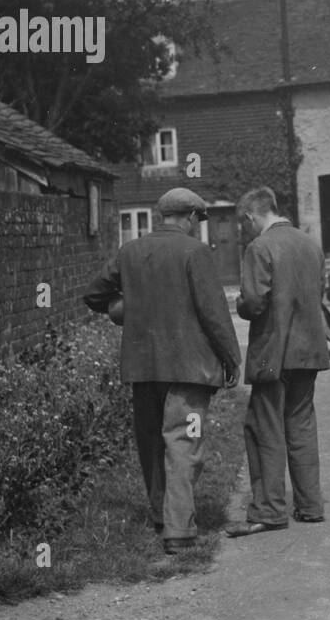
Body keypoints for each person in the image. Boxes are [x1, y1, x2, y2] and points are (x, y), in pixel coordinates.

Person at [83, 187, 241, 555]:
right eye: (196, 220)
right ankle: (180, 529)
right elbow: (214, 315)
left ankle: (161, 515)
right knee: (183, 443)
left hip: (143, 367)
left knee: (152, 442)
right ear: (188, 217)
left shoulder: (131, 251)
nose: (195, 226)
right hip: (189, 368)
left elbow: (94, 295)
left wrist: (123, 309)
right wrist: (231, 358)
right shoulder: (195, 253)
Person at [228, 186, 330, 536]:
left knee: (263, 428)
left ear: (251, 216)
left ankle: (269, 510)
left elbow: (255, 303)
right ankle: (310, 506)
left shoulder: (260, 247)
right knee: (301, 425)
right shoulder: (309, 244)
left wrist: (240, 303)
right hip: (309, 351)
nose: (246, 230)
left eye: (245, 224)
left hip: (274, 352)